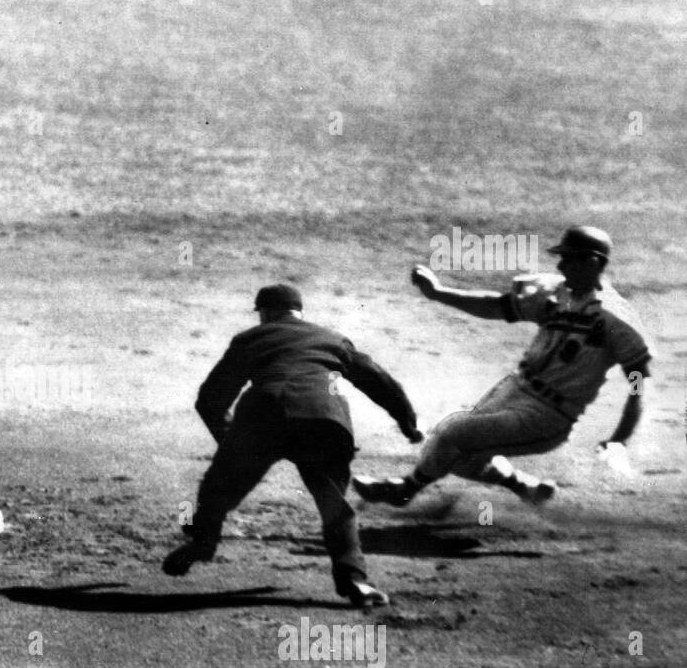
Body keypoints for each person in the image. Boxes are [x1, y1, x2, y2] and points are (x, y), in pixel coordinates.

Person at [164, 284, 423, 609]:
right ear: (299, 312)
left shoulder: (251, 338)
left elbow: (209, 400)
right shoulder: (332, 338)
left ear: (266, 312)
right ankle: (355, 580)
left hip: (264, 412)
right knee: (335, 505)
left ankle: (203, 542)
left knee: (217, 486)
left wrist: (233, 445)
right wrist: (407, 421)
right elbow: (378, 380)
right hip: (325, 417)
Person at [353, 226, 652, 507]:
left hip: (547, 414)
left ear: (594, 262)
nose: (560, 267)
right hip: (512, 388)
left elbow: (638, 380)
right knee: (452, 449)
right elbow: (496, 305)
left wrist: (620, 439)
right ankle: (525, 487)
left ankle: (404, 490)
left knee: (453, 434)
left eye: (568, 259)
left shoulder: (618, 320)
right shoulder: (556, 294)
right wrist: (439, 292)